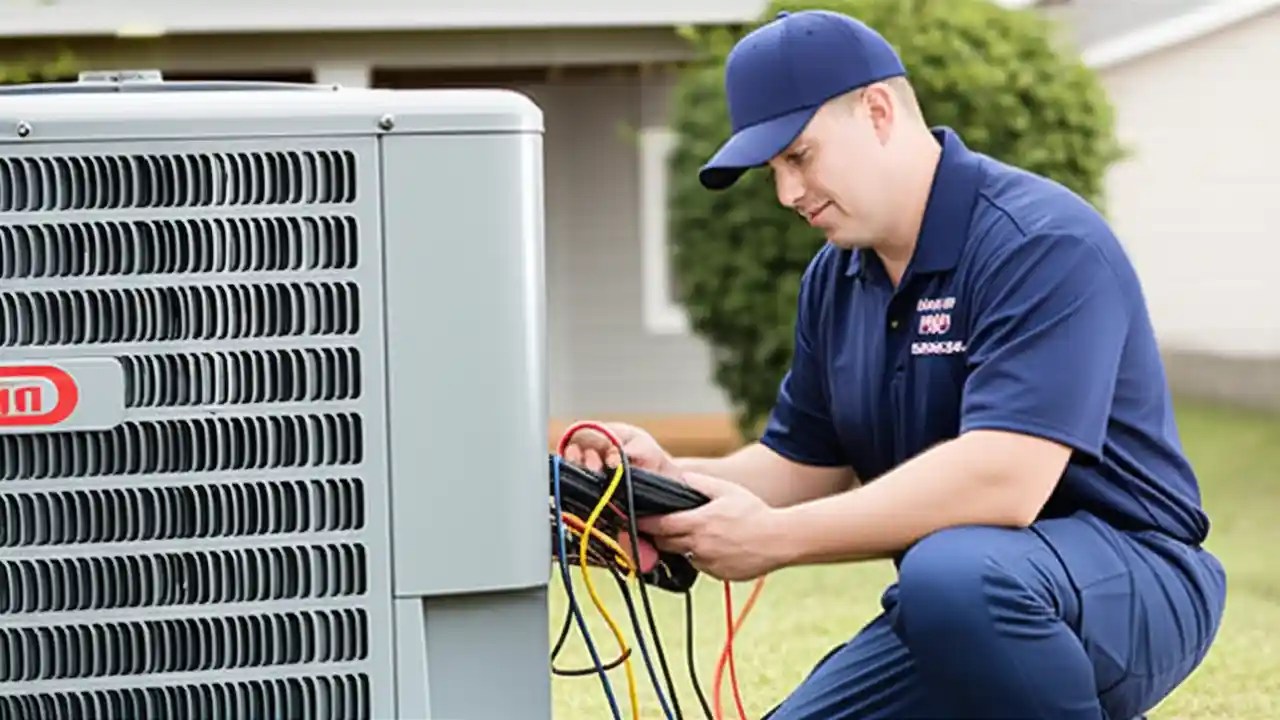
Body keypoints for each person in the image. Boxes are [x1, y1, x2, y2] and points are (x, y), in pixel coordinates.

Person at [563, 9, 1227, 720]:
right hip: (961, 606)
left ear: (877, 110)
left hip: (1133, 579)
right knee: (939, 590)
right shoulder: (835, 277)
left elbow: (1006, 482)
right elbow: (801, 463)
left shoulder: (1039, 242)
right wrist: (670, 481)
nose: (787, 194)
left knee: (949, 575)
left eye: (800, 156)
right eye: (773, 171)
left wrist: (777, 541)